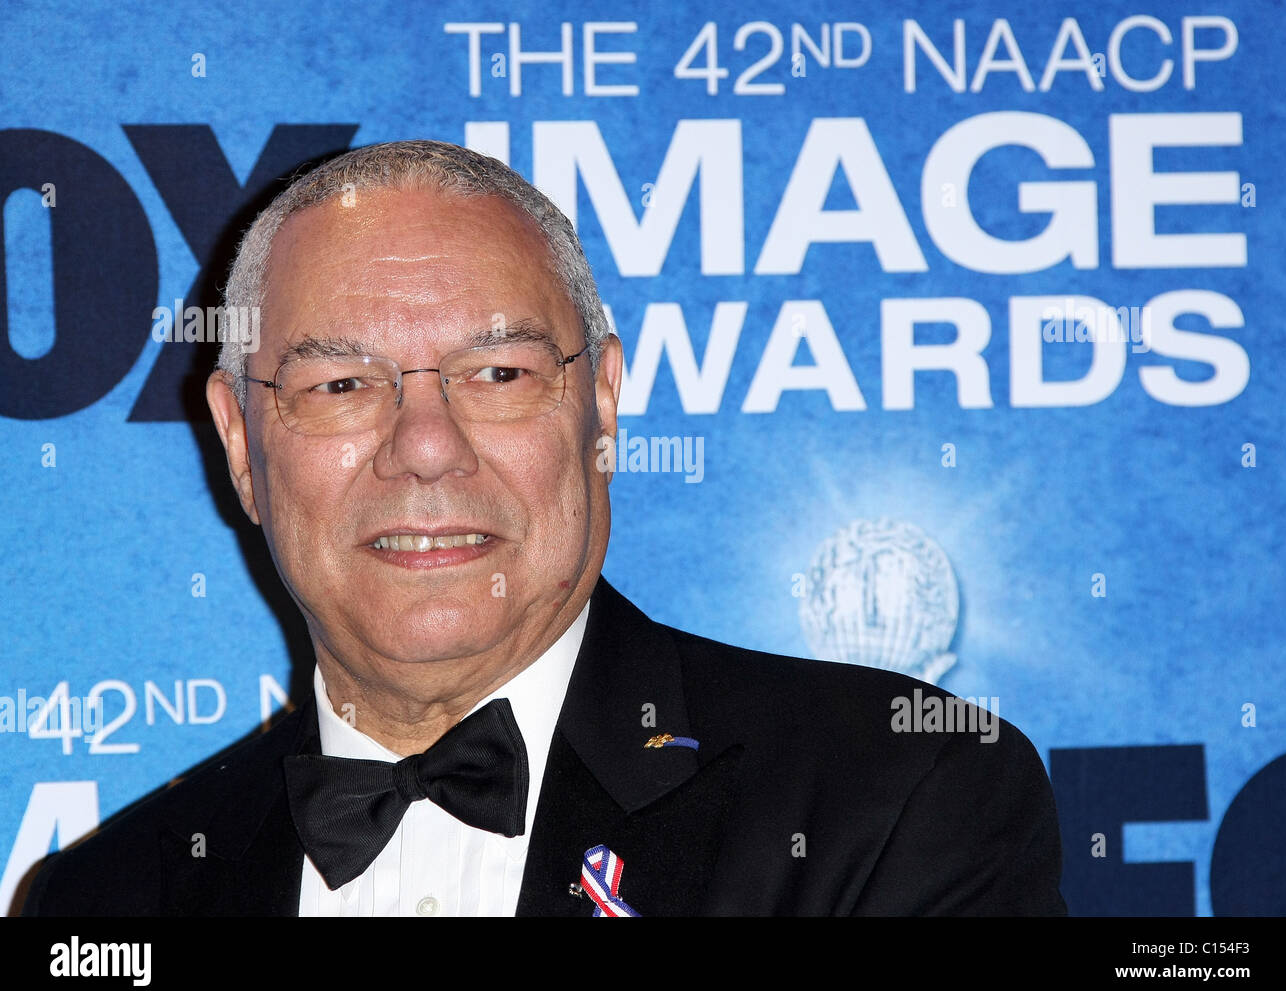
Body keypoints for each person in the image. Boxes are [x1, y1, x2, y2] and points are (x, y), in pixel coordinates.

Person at [21, 140, 1066, 916]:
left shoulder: (894, 798)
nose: (425, 445)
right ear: (243, 445)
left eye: (499, 374)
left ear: (600, 406)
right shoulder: (106, 901)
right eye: (340, 383)